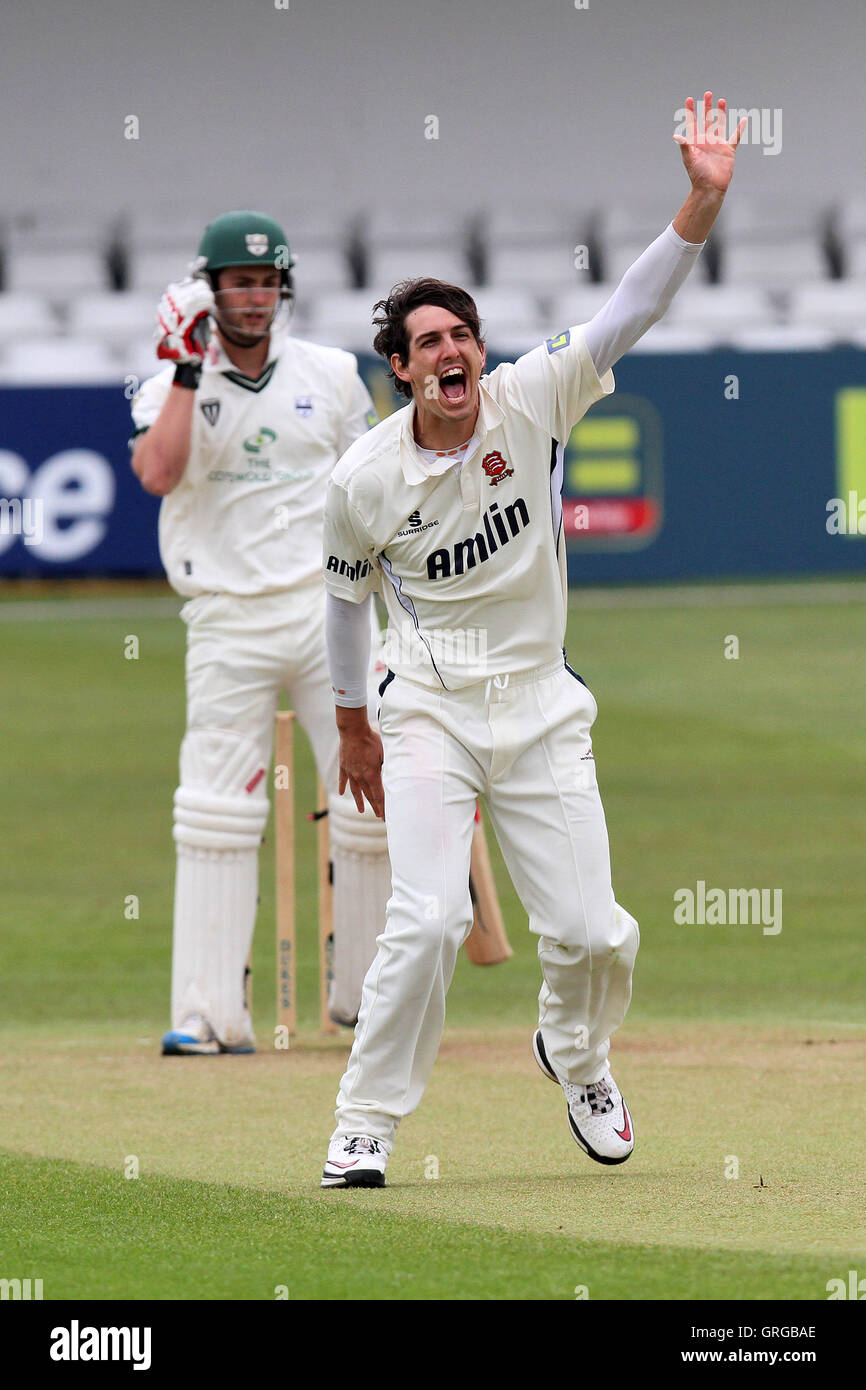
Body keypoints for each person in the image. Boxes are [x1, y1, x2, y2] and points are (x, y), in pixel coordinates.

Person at [319, 94, 745, 1184]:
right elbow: (341, 601)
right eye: (426, 344)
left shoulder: (527, 398)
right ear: (402, 371)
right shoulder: (363, 478)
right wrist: (352, 729)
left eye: (460, 333)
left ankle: (575, 1052)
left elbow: (626, 309)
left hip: (541, 706)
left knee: (596, 934)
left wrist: (697, 201)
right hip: (425, 709)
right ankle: (365, 1121)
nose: (449, 352)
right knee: (419, 925)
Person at [130, 209, 391, 1055]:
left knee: (373, 793)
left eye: (266, 282)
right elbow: (158, 473)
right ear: (209, 290)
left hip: (332, 610)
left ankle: (368, 996)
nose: (253, 297)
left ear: (284, 288)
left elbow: (372, 493)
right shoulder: (172, 380)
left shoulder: (333, 374)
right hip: (227, 619)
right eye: (238, 282)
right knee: (213, 811)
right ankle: (210, 1014)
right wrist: (180, 369)